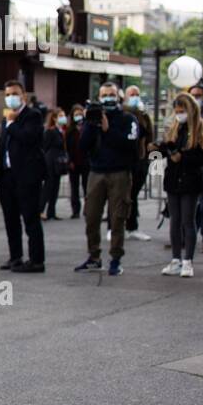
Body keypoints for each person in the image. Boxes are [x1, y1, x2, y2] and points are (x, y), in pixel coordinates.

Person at [75, 81, 139, 276]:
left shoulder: (127, 118)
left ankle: (116, 258)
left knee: (117, 217)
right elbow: (83, 146)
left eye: (111, 94)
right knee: (91, 216)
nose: (108, 98)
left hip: (119, 173)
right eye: (104, 95)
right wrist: (89, 124)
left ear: (118, 96)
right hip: (96, 172)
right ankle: (94, 256)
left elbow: (130, 145)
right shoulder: (93, 119)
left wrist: (107, 129)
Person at [0, 79, 46, 272]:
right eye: (7, 95)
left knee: (30, 219)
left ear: (23, 96)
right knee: (11, 219)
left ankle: (36, 260)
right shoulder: (7, 119)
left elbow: (29, 138)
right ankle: (15, 257)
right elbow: (5, 147)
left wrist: (12, 123)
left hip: (27, 177)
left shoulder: (33, 115)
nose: (10, 98)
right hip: (7, 177)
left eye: (14, 94)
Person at [154, 93, 203, 278]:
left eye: (182, 111)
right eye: (176, 111)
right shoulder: (174, 128)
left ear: (190, 110)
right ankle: (175, 259)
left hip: (191, 180)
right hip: (173, 179)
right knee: (174, 221)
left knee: (187, 221)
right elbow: (165, 152)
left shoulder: (202, 128)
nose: (179, 114)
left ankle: (187, 261)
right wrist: (159, 148)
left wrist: (183, 157)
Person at [124, 85, 154, 241]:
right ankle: (117, 226)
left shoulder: (144, 116)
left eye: (137, 94)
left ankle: (132, 226)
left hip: (141, 161)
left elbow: (149, 137)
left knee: (133, 195)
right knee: (122, 195)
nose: (135, 96)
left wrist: (149, 158)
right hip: (125, 161)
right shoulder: (122, 114)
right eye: (132, 94)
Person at [39, 108, 67, 221]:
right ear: (54, 118)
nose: (63, 118)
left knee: (55, 188)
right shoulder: (50, 131)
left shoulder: (60, 131)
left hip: (58, 163)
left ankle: (52, 211)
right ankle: (40, 210)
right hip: (50, 162)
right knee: (48, 187)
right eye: (60, 116)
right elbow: (44, 147)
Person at [190, 83, 203, 254]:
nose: (196, 98)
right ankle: (187, 238)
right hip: (187, 167)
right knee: (188, 205)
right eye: (193, 95)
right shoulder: (183, 115)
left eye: (199, 95)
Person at [64, 103, 88, 219]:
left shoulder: (87, 128)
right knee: (74, 188)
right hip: (74, 162)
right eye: (76, 114)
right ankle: (75, 210)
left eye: (80, 114)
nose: (78, 116)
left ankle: (87, 209)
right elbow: (67, 148)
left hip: (86, 162)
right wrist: (69, 161)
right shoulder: (70, 131)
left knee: (87, 187)